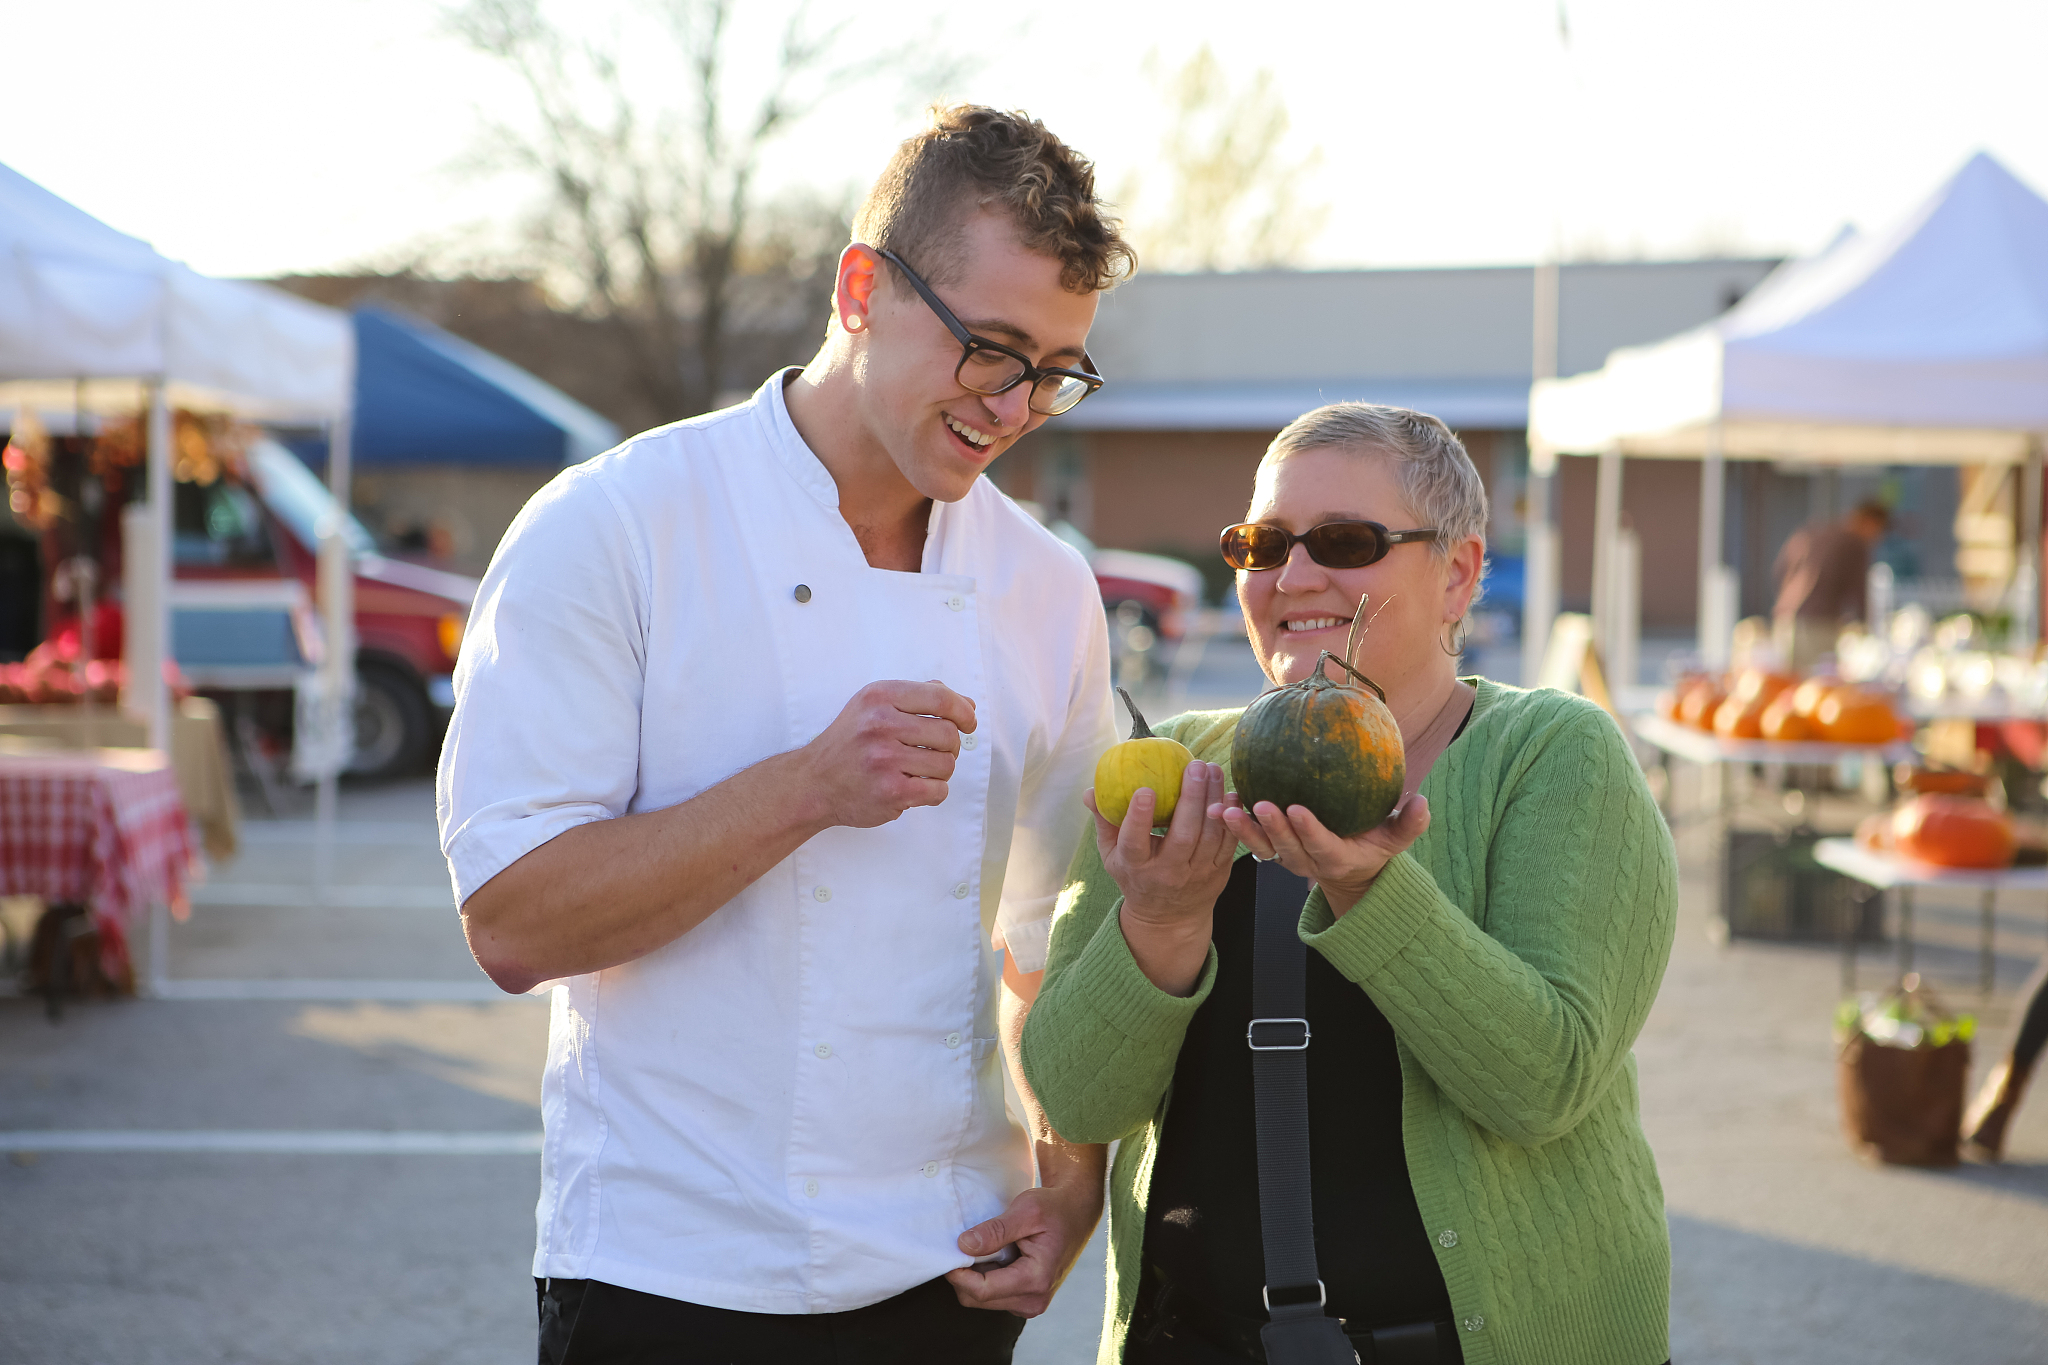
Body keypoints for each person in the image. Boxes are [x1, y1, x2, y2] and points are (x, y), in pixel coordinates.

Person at [437, 105, 1134, 1363]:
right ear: (861, 287)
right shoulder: (616, 525)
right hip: (661, 1269)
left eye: (1054, 369)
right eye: (989, 347)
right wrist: (806, 787)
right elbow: (512, 922)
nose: (1016, 403)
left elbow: (1046, 942)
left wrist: (1071, 1173)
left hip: (946, 1265)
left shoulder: (1045, 588)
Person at [1020, 404, 1679, 1365]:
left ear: (1457, 572)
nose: (1293, 576)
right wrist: (1160, 918)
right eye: (1263, 544)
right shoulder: (1172, 769)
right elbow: (1076, 1102)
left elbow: (1546, 1082)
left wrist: (1378, 896)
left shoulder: (1552, 753)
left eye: (1344, 541)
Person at [1772, 499, 1890, 671]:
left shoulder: (1815, 531)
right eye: (1878, 531)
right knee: (1815, 683)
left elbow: (1780, 569)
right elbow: (1859, 590)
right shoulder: (1855, 543)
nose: (1876, 539)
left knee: (1790, 682)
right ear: (1870, 522)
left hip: (1785, 619)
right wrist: (1865, 626)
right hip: (1819, 624)